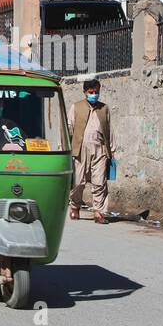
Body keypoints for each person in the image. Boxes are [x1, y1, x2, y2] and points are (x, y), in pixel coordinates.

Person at [68, 78, 113, 224]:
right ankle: (75, 206)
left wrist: (111, 151)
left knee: (99, 182)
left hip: (99, 150)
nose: (94, 95)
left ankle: (99, 213)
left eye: (96, 92)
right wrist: (66, 149)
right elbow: (69, 128)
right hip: (80, 150)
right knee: (78, 182)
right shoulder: (76, 107)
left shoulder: (104, 108)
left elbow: (109, 131)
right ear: (85, 92)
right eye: (91, 92)